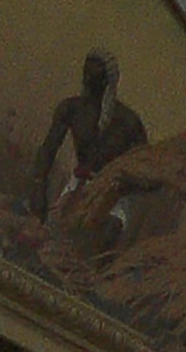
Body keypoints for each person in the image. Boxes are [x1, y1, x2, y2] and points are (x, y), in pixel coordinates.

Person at [30, 51, 151, 223]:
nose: (87, 80)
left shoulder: (128, 121)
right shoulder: (72, 109)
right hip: (77, 186)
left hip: (113, 197)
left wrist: (115, 185)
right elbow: (49, 149)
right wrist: (39, 186)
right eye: (85, 74)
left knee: (108, 227)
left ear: (106, 81)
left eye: (93, 76)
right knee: (55, 226)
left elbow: (145, 170)